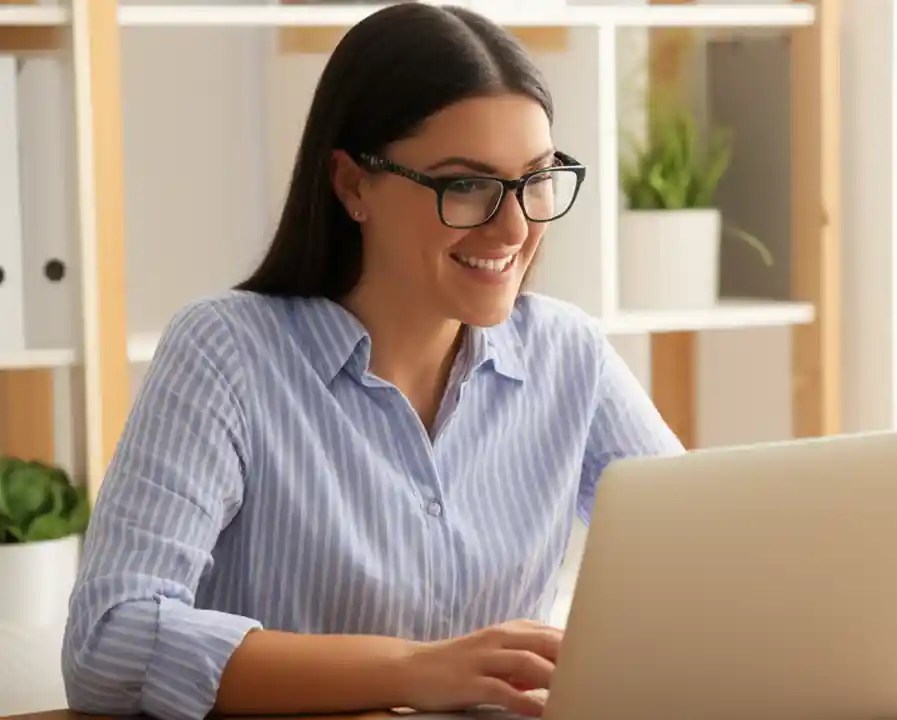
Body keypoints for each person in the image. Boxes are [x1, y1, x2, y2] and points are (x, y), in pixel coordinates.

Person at [60, 4, 682, 720]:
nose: (515, 226)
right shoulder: (227, 352)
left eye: (536, 179)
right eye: (466, 185)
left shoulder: (568, 354)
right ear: (354, 185)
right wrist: (414, 671)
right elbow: (109, 644)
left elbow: (705, 557)